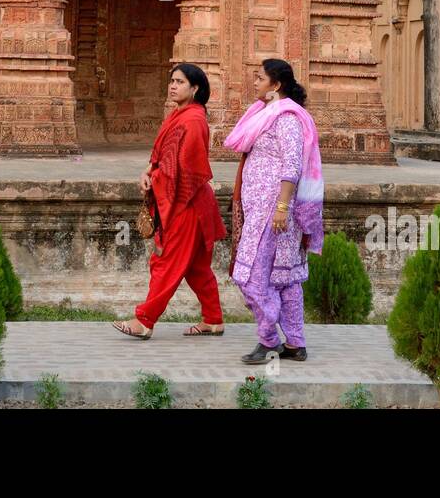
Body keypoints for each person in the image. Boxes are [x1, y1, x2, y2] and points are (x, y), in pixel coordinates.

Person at [112, 63, 227, 339]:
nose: (173, 86)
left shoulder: (193, 120)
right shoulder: (179, 115)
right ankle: (213, 319)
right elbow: (164, 157)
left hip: (187, 203)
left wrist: (159, 179)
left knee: (166, 264)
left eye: (180, 82)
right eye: (172, 81)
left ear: (195, 88)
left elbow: (188, 169)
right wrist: (149, 172)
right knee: (197, 267)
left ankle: (145, 320)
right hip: (188, 202)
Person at [224, 58, 324, 364]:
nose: (254, 83)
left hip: (275, 212)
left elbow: (292, 166)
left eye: (259, 78)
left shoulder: (287, 119)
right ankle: (295, 343)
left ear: (275, 85)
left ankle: (269, 339)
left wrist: (281, 207)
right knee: (284, 278)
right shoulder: (264, 114)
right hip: (262, 209)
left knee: (251, 275)